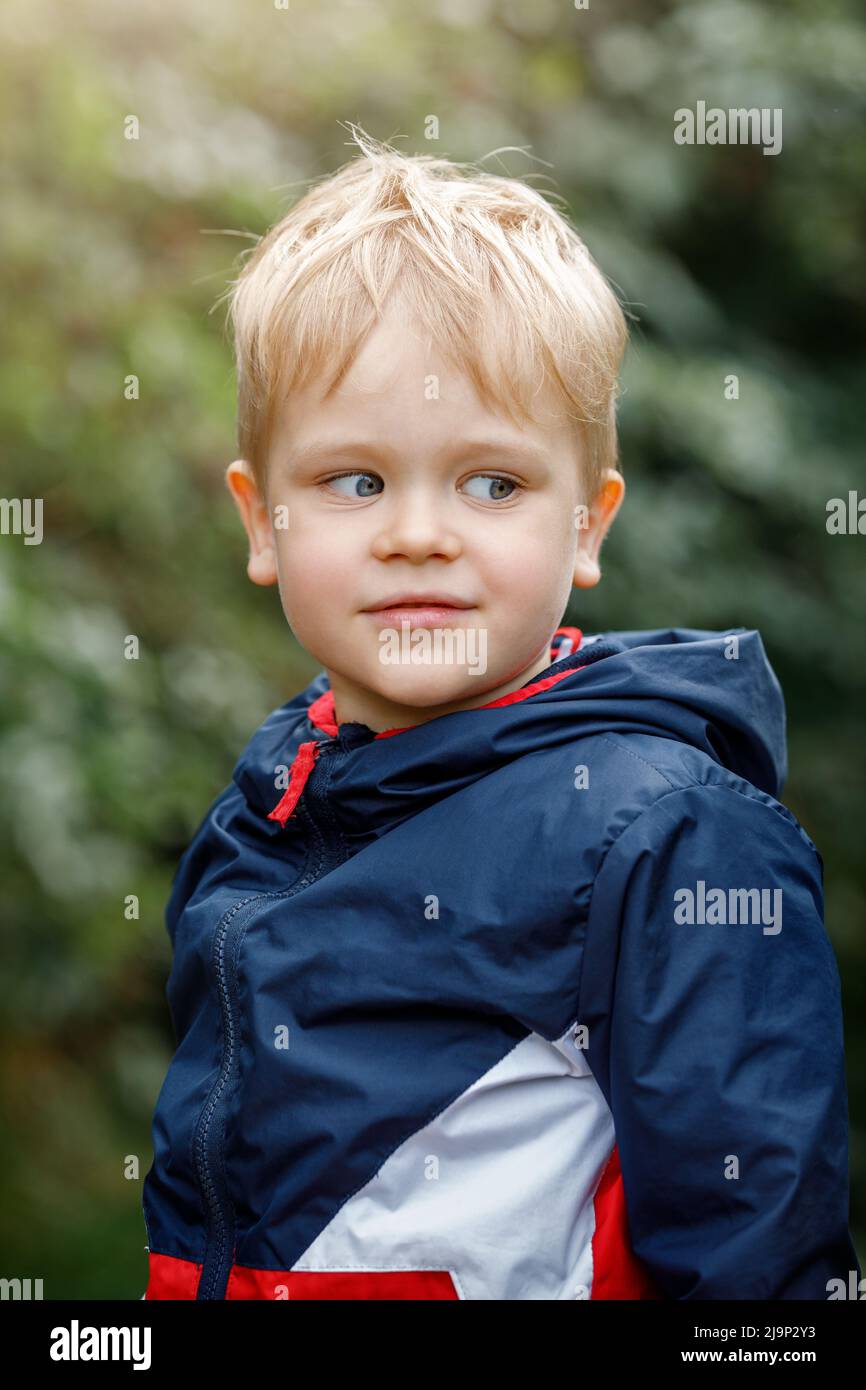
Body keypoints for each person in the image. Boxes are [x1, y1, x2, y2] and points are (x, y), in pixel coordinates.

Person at [141, 125, 859, 1300]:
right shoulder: (265, 806)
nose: (418, 531)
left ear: (587, 524)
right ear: (262, 522)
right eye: (355, 480)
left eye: (493, 483)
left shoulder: (667, 835)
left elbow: (756, 1261)